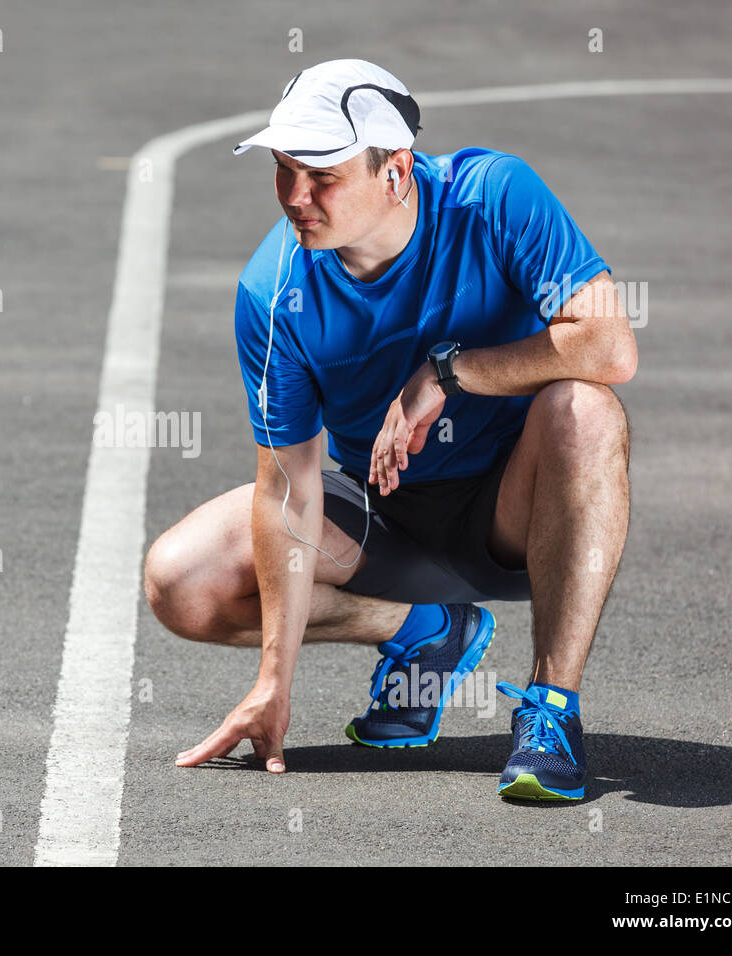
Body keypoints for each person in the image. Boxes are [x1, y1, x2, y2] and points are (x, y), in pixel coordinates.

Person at [143, 59, 636, 801]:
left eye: (323, 177)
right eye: (283, 171)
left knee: (587, 407)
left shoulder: (493, 197)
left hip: (511, 510)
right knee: (180, 582)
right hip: (382, 513)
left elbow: (610, 347)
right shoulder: (275, 290)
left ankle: (551, 709)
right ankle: (424, 629)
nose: (295, 198)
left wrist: (447, 373)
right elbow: (291, 489)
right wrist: (275, 682)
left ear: (396, 171)